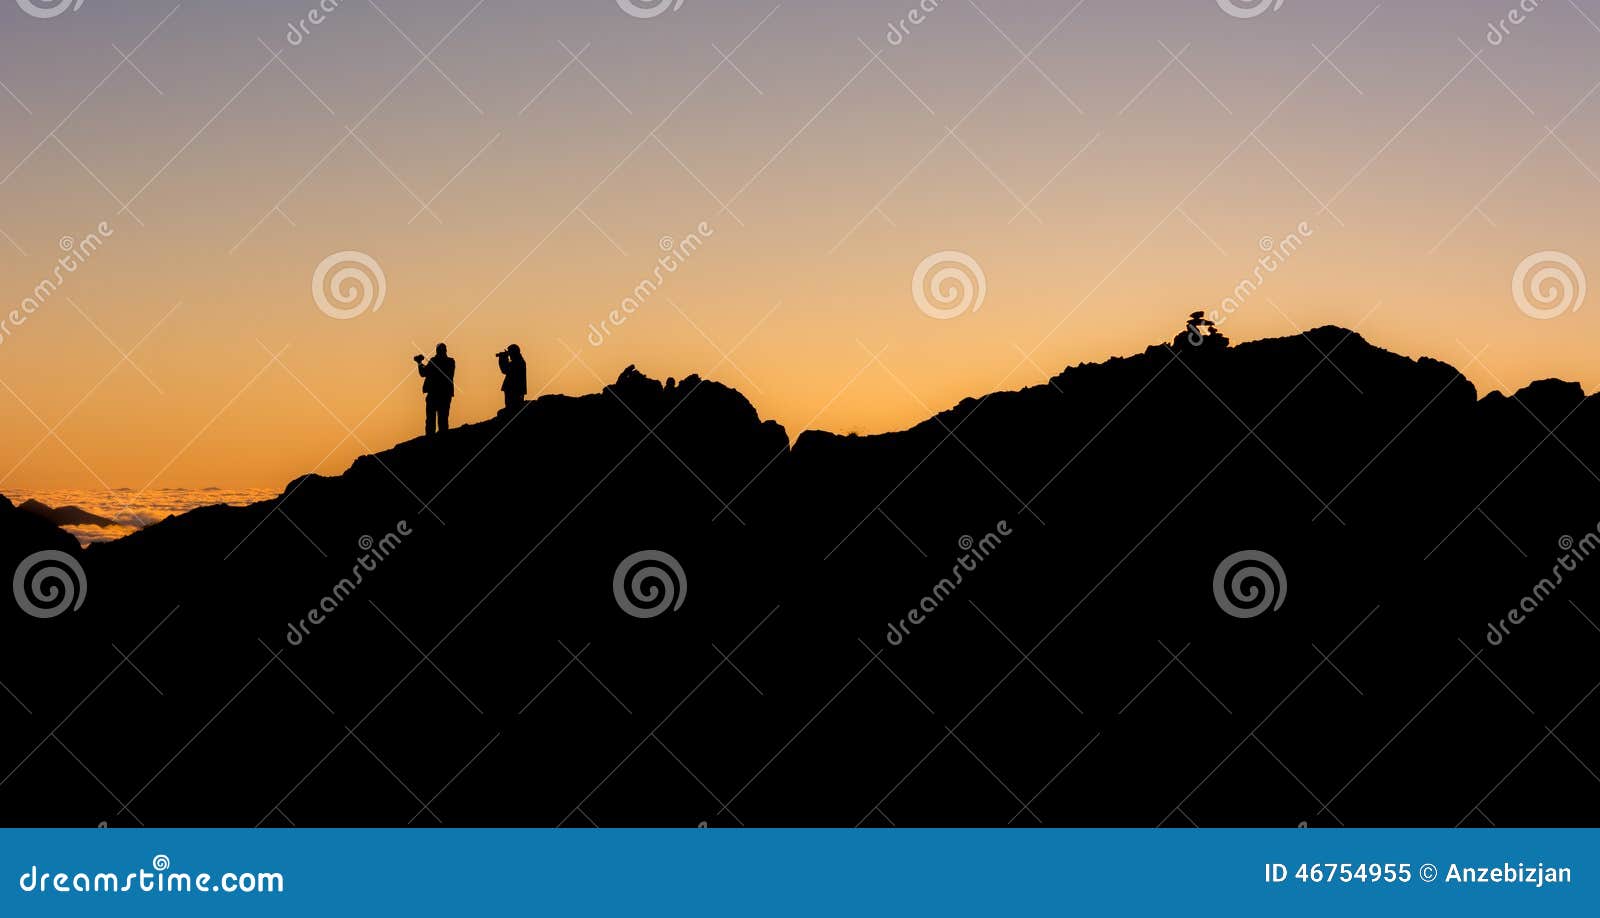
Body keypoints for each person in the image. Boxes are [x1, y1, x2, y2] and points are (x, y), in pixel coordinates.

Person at [415, 343, 456, 436]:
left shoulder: (435, 361)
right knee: (443, 420)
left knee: (431, 421)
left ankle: (431, 441)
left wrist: (419, 362)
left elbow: (423, 373)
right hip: (446, 395)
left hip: (434, 395)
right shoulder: (451, 362)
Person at [496, 344, 527, 415]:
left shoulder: (517, 362)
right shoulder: (519, 361)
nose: (509, 355)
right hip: (515, 389)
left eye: (510, 352)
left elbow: (505, 370)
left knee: (512, 409)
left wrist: (503, 359)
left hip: (513, 389)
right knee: (512, 409)